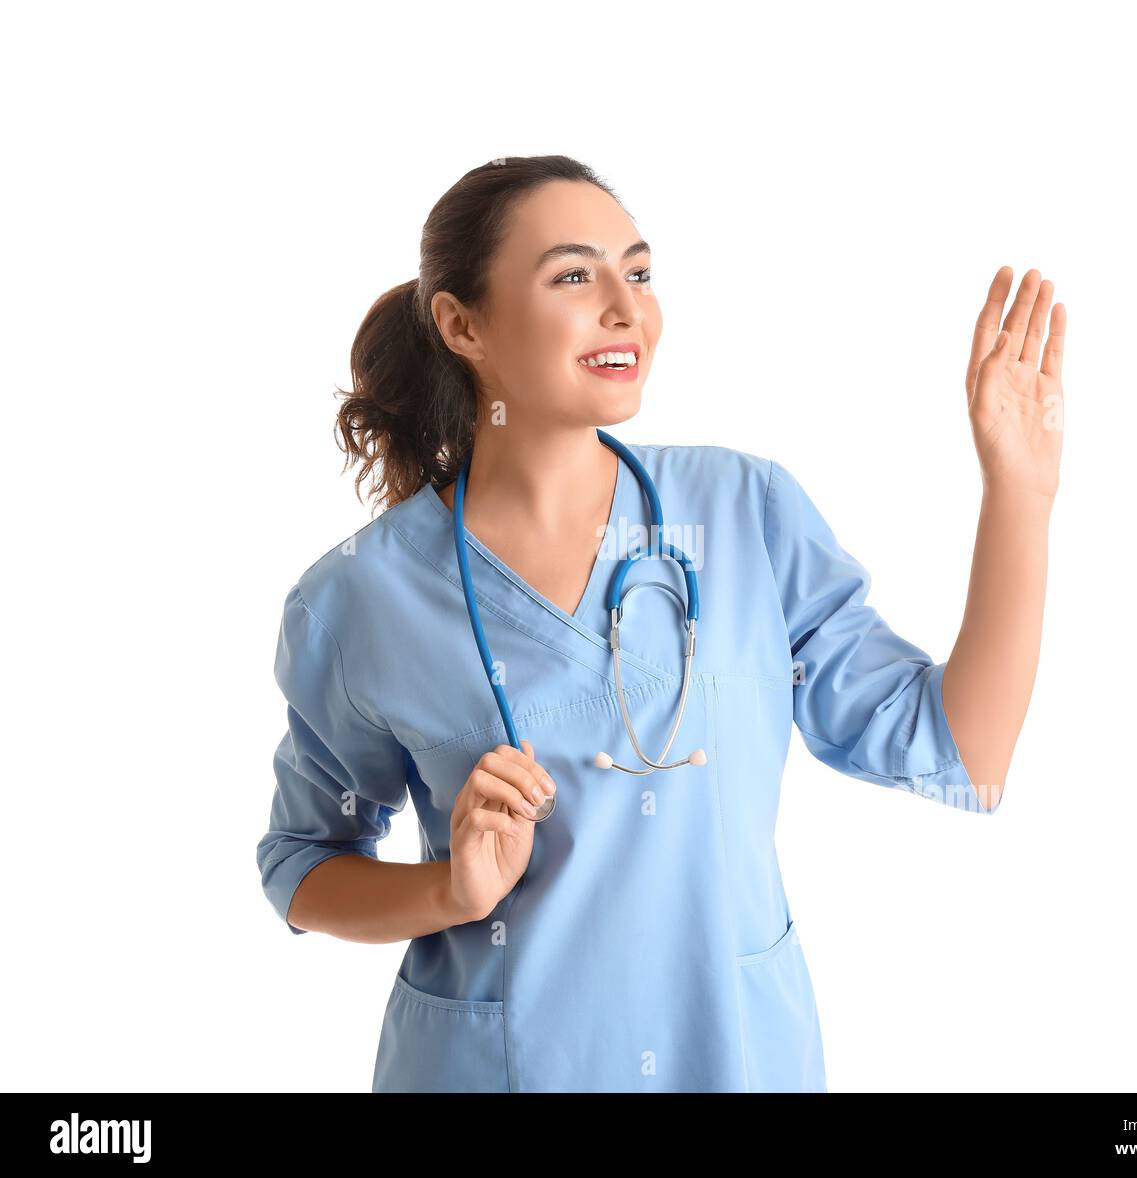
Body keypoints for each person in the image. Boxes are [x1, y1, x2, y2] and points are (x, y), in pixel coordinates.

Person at [255, 154, 1065, 1092]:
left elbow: (964, 753)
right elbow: (302, 864)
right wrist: (448, 889)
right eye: (573, 275)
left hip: (728, 1059)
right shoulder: (362, 595)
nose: (626, 308)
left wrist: (1021, 492)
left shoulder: (744, 512)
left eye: (637, 272)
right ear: (461, 323)